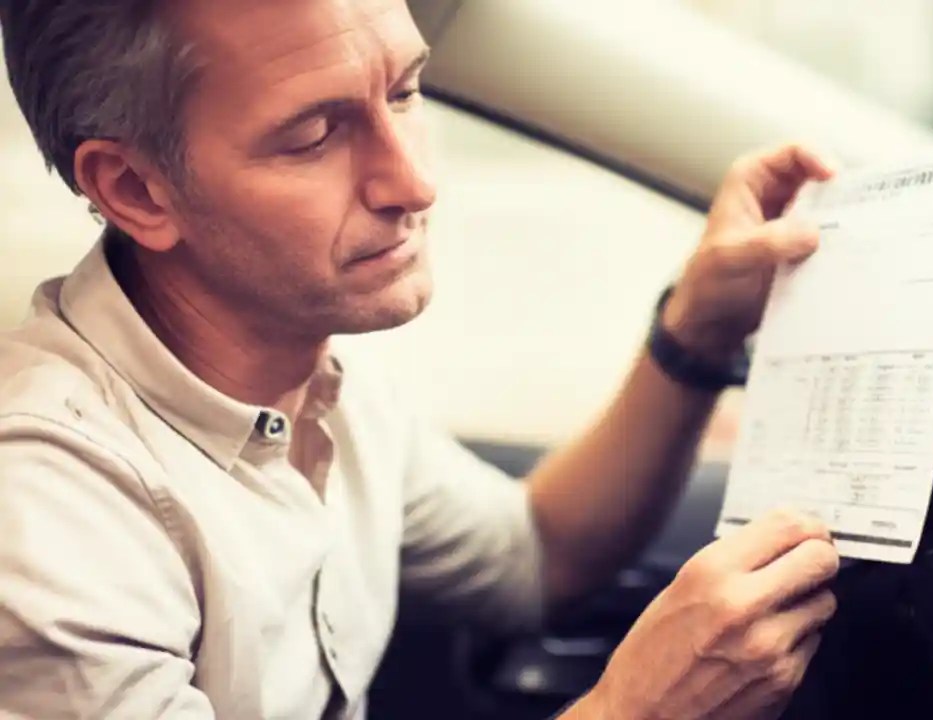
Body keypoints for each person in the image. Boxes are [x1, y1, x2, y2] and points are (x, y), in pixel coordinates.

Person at [0, 0, 841, 718]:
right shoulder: (46, 512)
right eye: (315, 136)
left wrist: (697, 331)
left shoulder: (318, 382)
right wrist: (633, 708)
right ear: (135, 190)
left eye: (403, 92)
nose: (413, 181)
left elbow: (538, 559)